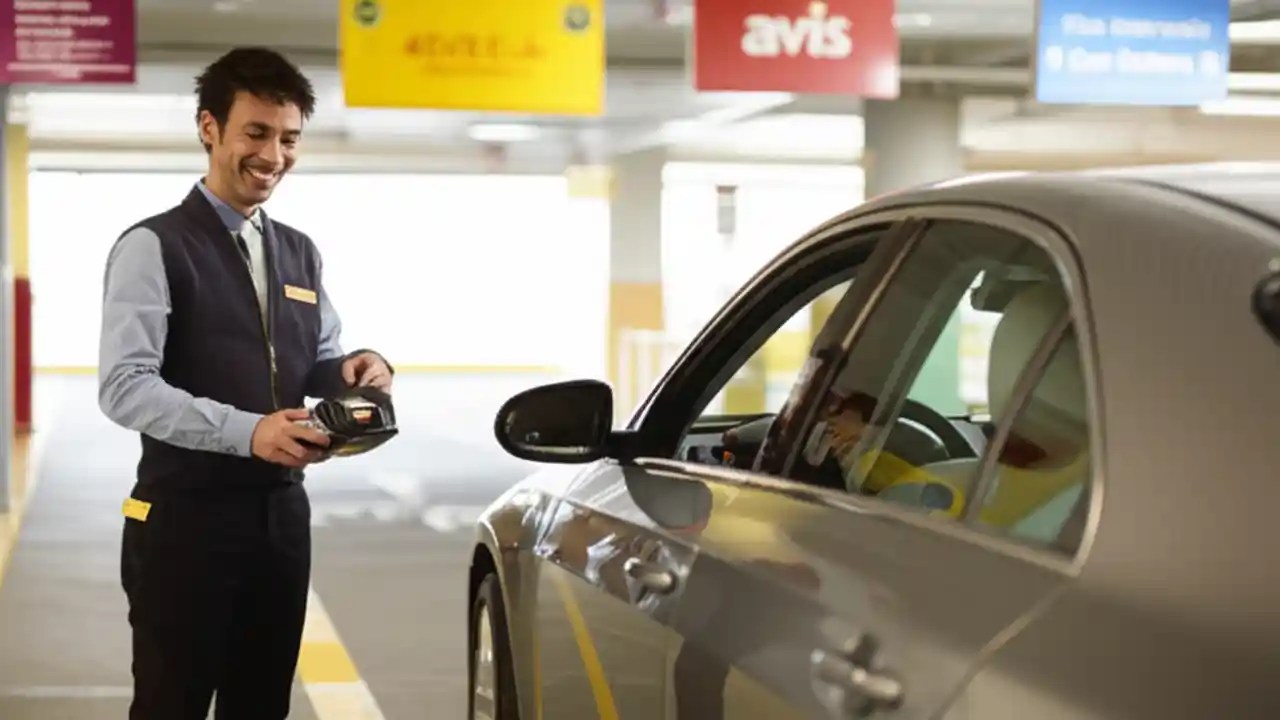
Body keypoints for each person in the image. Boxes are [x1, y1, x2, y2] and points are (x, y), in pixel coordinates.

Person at [97, 46, 393, 719]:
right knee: (172, 704)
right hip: (184, 521)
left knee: (261, 706)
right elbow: (124, 385)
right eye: (256, 133)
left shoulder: (297, 250)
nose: (274, 156)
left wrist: (354, 369)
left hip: (281, 518)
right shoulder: (155, 246)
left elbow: (316, 356)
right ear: (210, 129)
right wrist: (248, 431)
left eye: (289, 139)